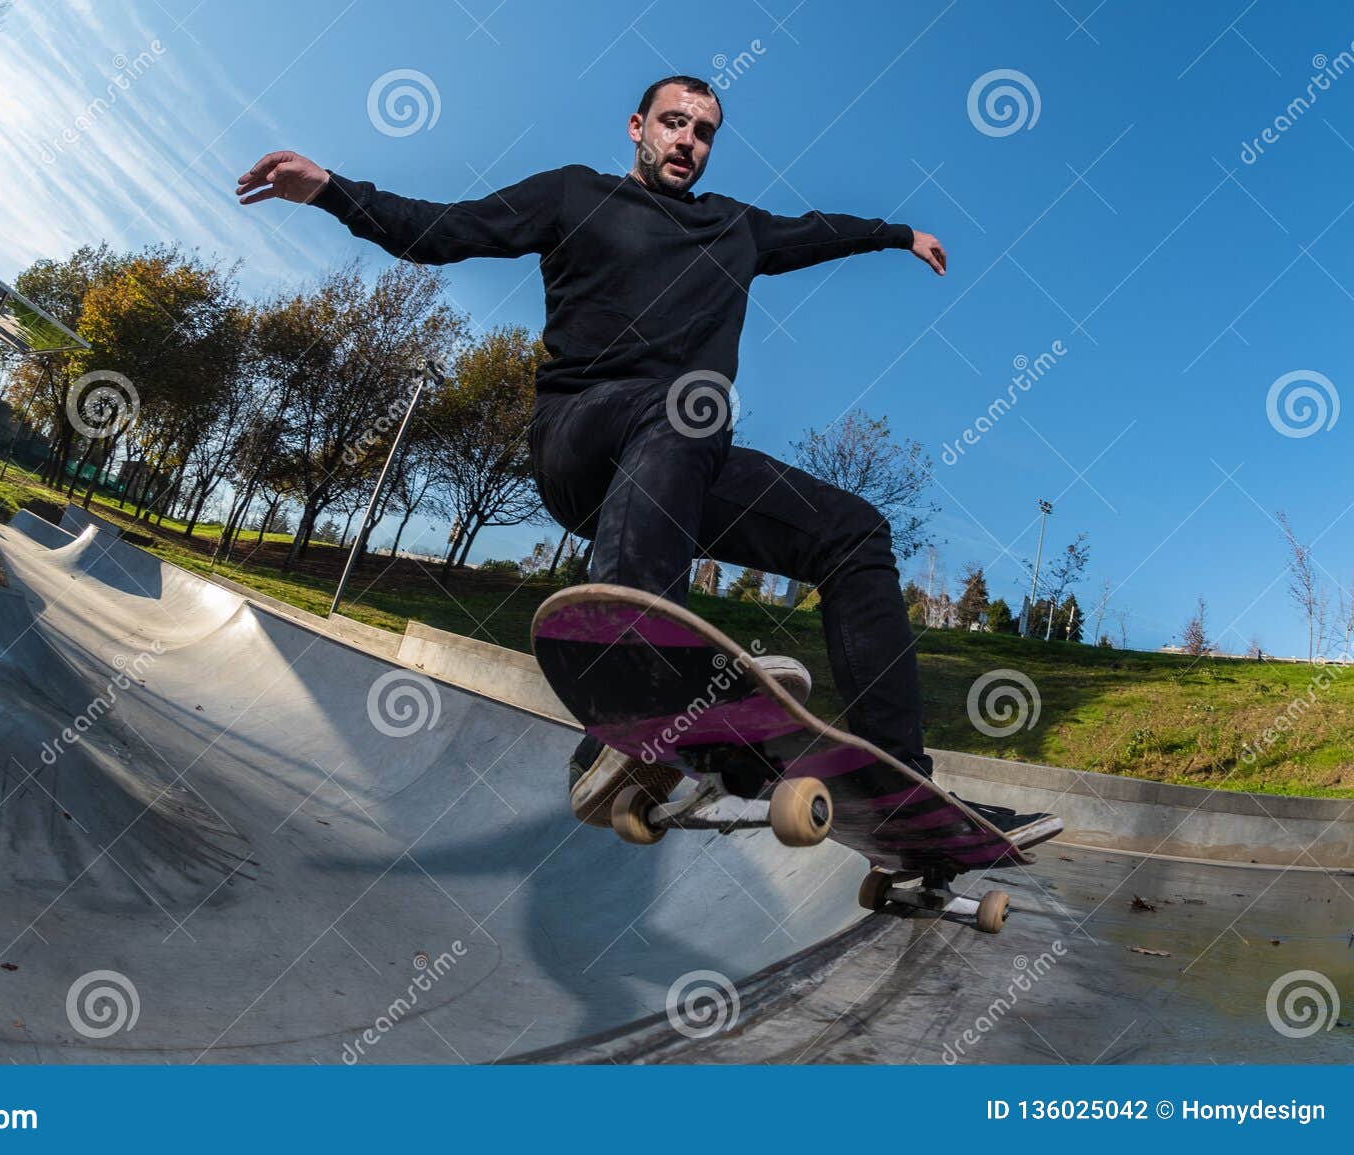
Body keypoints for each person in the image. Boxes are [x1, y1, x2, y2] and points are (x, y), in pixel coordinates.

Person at [239, 75, 1029, 831]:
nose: (689, 141)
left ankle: (899, 784)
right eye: (675, 123)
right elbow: (443, 230)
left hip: (680, 466)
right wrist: (333, 190)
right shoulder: (573, 193)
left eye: (705, 133)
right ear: (639, 128)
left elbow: (819, 230)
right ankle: (628, 704)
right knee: (690, 401)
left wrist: (899, 235)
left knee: (854, 530)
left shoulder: (737, 226)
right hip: (580, 440)